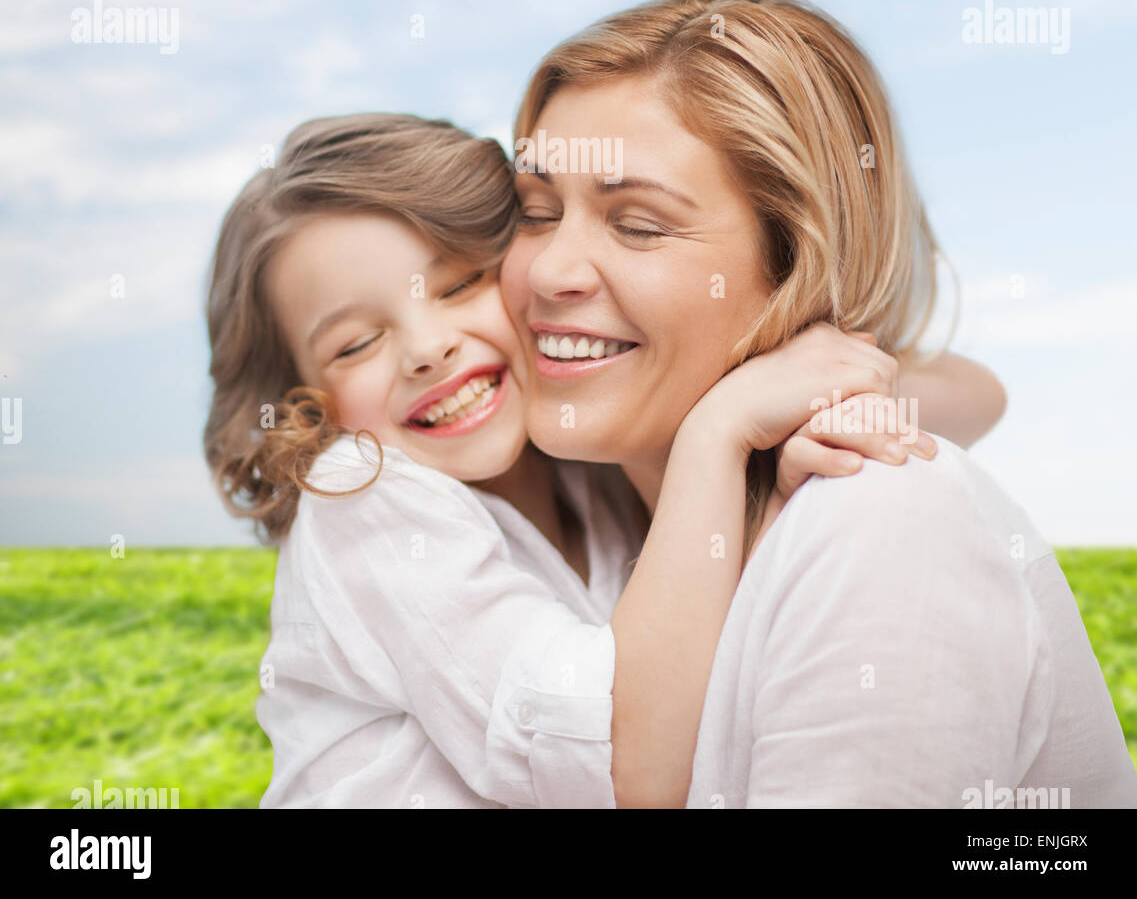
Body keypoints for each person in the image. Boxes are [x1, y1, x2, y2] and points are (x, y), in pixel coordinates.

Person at [202, 109, 996, 807]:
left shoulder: (584, 455)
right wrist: (717, 429)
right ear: (305, 404)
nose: (426, 348)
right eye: (356, 343)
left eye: (459, 284)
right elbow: (622, 773)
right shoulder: (363, 493)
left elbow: (974, 393)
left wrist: (809, 372)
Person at [501, 0, 1136, 808]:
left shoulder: (874, 521)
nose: (549, 271)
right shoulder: (588, 508)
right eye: (533, 211)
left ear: (795, 261)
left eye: (639, 225)